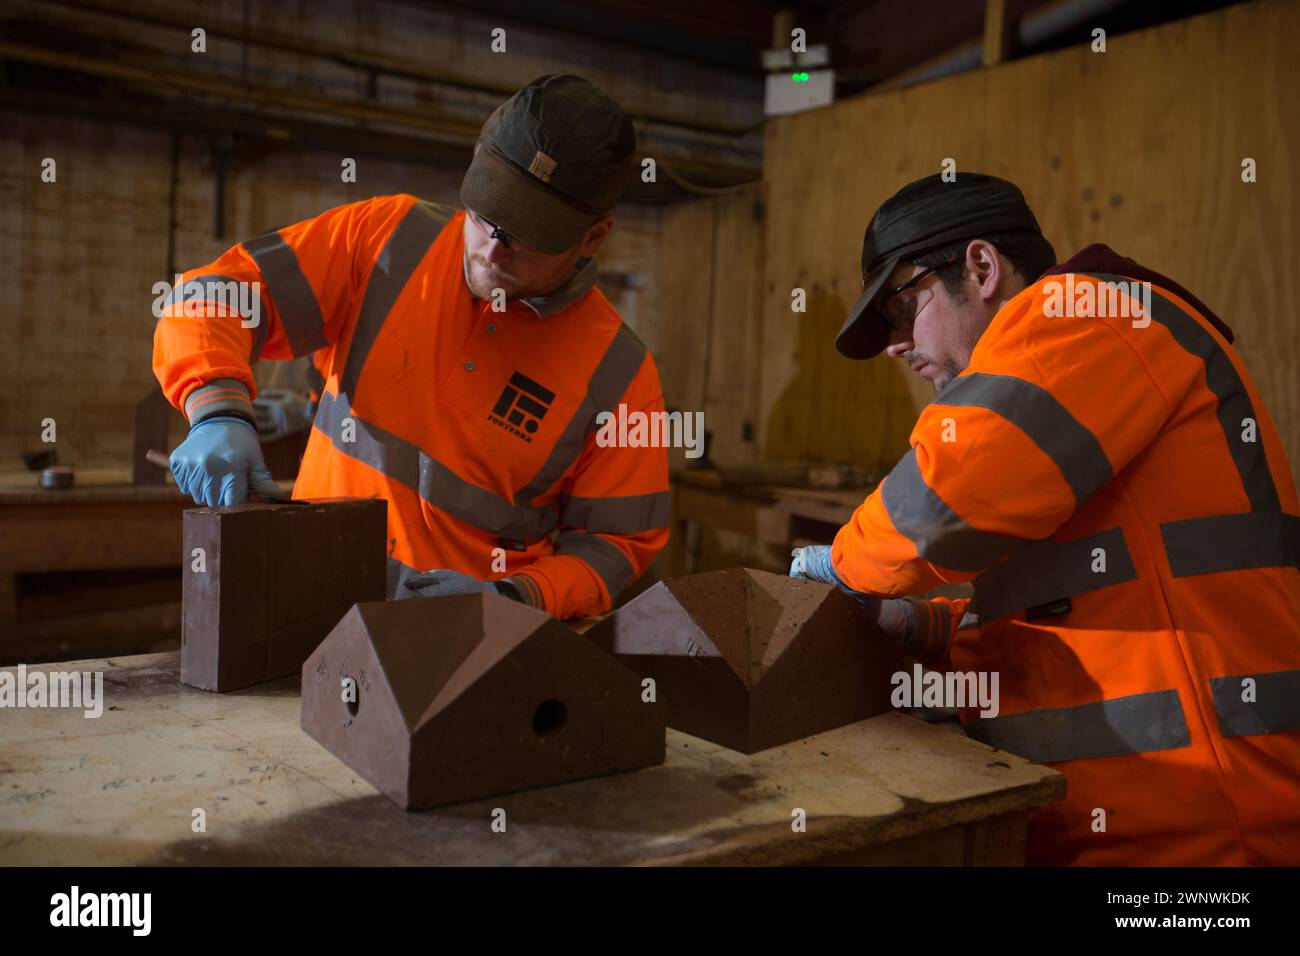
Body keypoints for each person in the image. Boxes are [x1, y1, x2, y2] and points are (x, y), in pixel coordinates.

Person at [791, 172, 1300, 865]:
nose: (895, 342)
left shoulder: (1087, 316)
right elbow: (1049, 608)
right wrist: (921, 624)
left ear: (980, 267)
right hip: (1123, 818)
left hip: (1205, 826)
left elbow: (936, 513)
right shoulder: (1046, 403)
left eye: (905, 306)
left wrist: (846, 561)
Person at [153, 74, 669, 620]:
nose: (493, 248)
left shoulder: (622, 376)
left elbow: (617, 545)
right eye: (485, 213)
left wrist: (512, 599)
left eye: (526, 236)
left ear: (593, 237)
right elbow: (214, 294)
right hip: (303, 608)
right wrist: (215, 407)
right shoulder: (387, 240)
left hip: (463, 652)